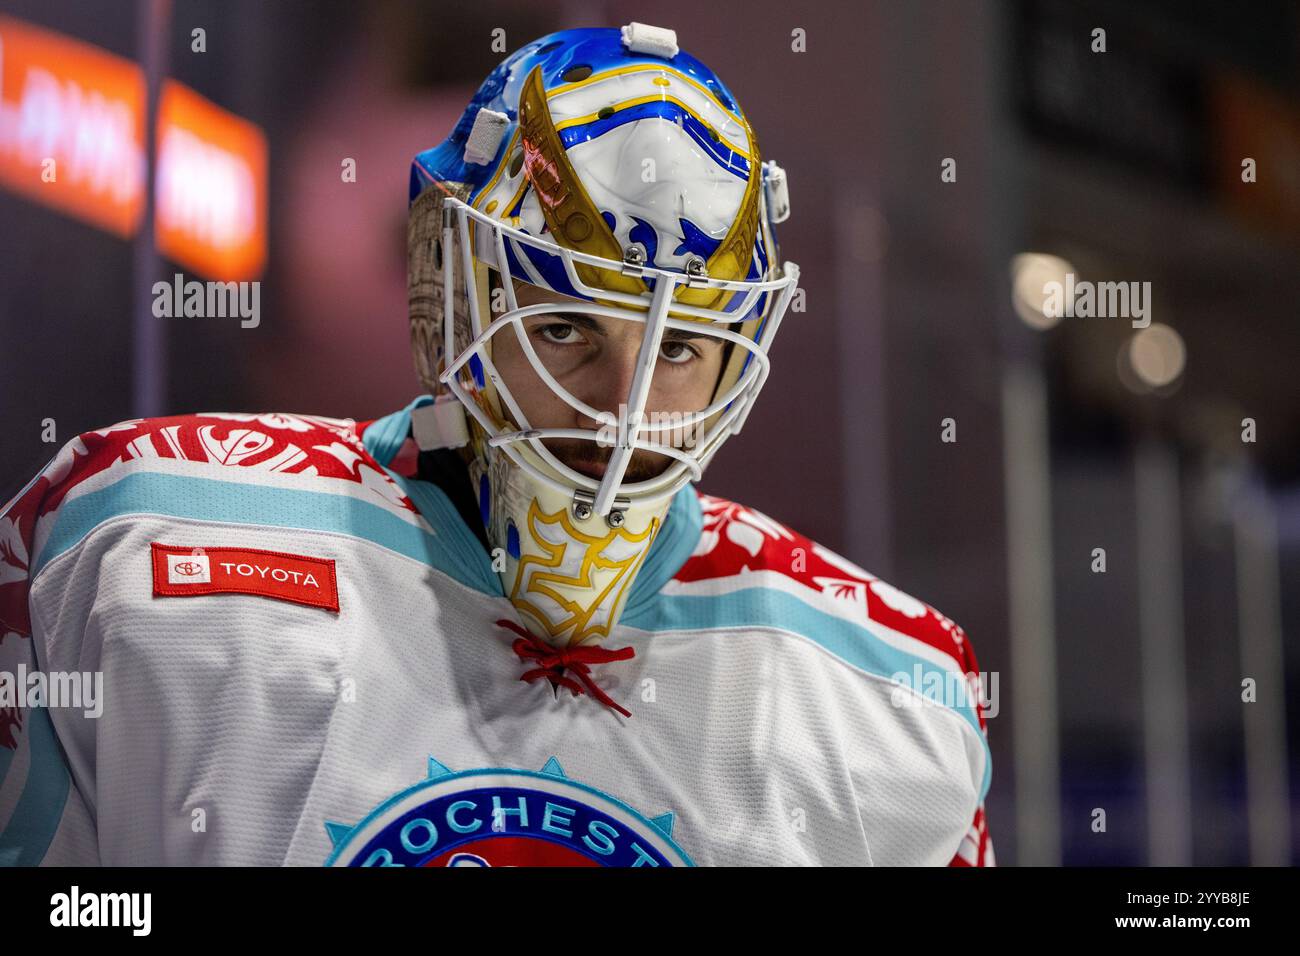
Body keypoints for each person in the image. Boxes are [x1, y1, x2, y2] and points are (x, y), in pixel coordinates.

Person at [0, 23, 991, 866]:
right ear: (447, 292)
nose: (623, 409)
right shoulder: (127, 545)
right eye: (566, 328)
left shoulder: (894, 699)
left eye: (682, 345)